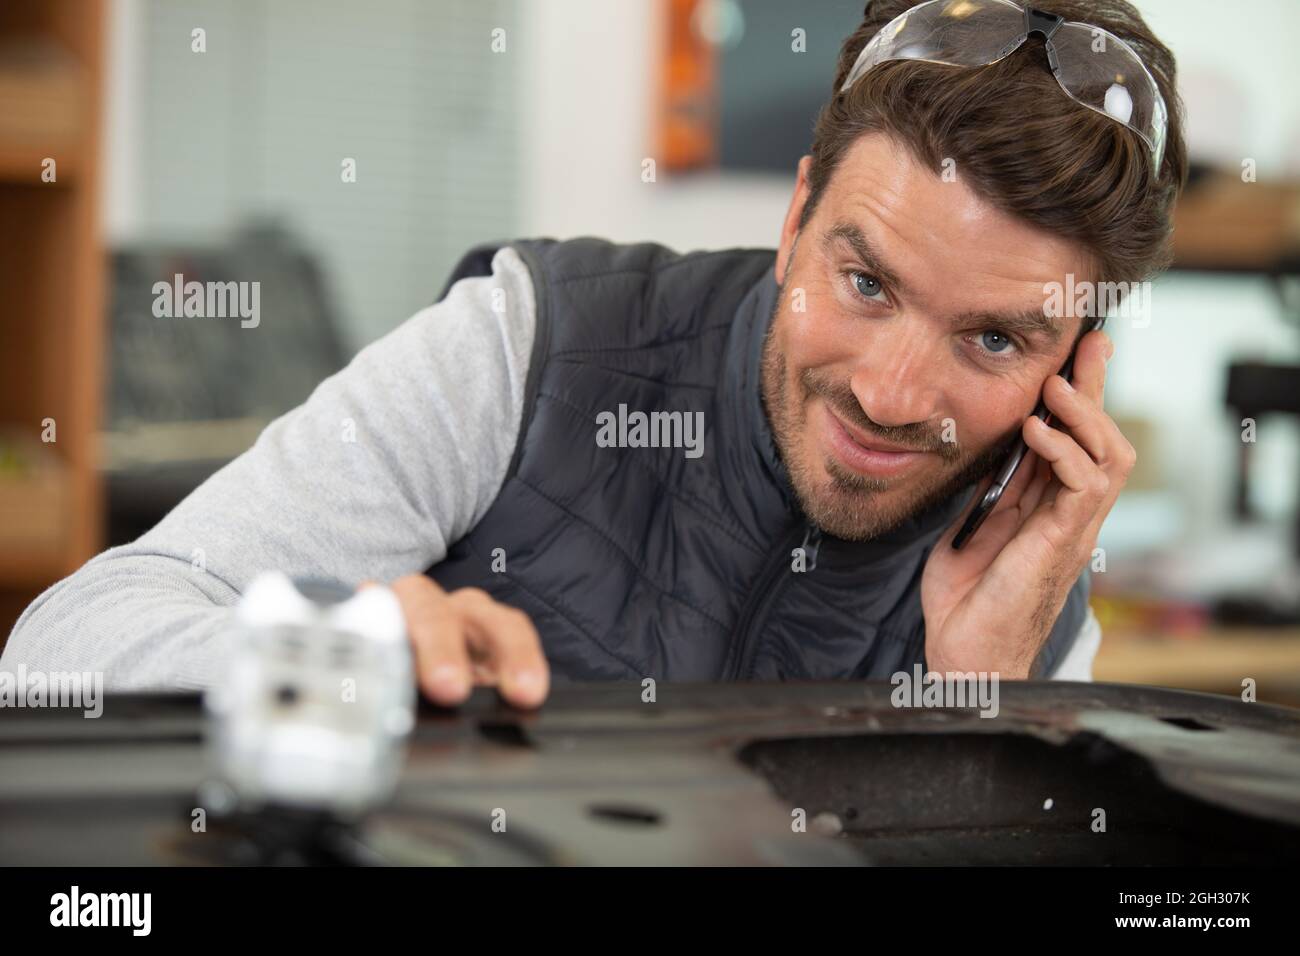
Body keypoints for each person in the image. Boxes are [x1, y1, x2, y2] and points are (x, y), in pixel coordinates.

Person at [3, 0, 1187, 709]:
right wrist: (326, 652)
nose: (888, 394)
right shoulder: (531, 343)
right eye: (864, 280)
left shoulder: (1033, 547)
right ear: (794, 216)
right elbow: (54, 654)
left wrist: (974, 690)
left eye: (993, 338)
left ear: (1075, 360)